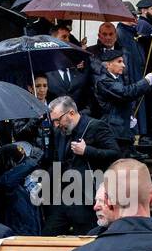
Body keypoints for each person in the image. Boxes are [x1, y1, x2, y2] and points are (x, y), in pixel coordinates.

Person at [40, 96, 120, 236]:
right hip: (62, 197)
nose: (56, 125)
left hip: (86, 199)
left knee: (87, 239)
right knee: (48, 236)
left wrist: (87, 151)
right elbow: (56, 161)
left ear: (71, 113)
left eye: (58, 120)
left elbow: (115, 154)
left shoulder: (96, 126)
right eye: (54, 121)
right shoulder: (59, 132)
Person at [93, 49, 152, 154]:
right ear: (108, 64)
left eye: (122, 61)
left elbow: (122, 101)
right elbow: (125, 93)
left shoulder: (116, 79)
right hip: (114, 130)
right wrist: (145, 82)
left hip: (121, 130)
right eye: (119, 61)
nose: (123, 65)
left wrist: (128, 116)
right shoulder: (104, 81)